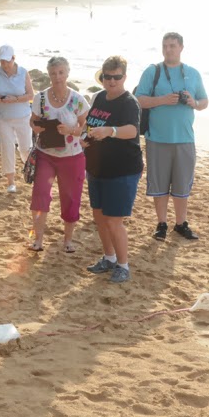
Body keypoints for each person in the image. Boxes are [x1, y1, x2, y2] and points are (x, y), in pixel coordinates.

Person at [134, 32, 208, 240]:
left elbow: (204, 102)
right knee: (159, 184)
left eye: (172, 46)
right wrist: (163, 100)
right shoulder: (153, 71)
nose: (168, 49)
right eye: (165, 46)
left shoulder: (192, 73)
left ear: (181, 47)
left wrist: (194, 103)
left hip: (185, 138)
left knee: (182, 183)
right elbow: (139, 99)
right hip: (157, 137)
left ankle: (180, 223)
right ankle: (161, 223)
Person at [83, 55, 142, 284]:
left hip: (122, 169)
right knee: (99, 216)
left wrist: (111, 131)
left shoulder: (129, 102)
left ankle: (123, 265)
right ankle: (108, 258)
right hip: (97, 167)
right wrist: (84, 139)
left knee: (113, 220)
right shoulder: (99, 98)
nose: (111, 82)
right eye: (107, 77)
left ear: (124, 77)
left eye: (116, 77)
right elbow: (91, 125)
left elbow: (132, 131)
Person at [29, 56, 90, 253]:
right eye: (53, 73)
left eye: (61, 72)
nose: (58, 77)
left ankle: (68, 241)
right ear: (49, 75)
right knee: (40, 195)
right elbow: (33, 121)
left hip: (72, 156)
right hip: (45, 153)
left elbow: (87, 128)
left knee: (71, 198)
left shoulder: (77, 100)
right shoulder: (41, 98)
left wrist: (70, 131)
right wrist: (36, 128)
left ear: (68, 73)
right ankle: (38, 240)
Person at [0, 44, 34, 194]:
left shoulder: (23, 72)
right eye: (2, 61)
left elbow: (30, 95)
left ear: (14, 58)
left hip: (23, 117)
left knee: (25, 148)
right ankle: (11, 181)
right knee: (7, 148)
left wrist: (14, 99)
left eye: (7, 61)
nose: (5, 65)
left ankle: (29, 171)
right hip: (3, 118)